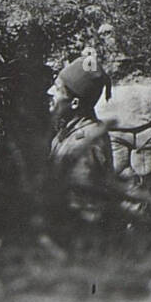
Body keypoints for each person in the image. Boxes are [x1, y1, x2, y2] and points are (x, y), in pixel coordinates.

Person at [48, 56, 115, 197]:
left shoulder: (83, 146)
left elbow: (83, 208)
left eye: (58, 89)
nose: (50, 91)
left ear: (75, 103)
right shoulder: (72, 131)